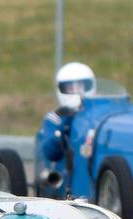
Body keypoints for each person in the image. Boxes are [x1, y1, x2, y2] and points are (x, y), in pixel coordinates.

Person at [36, 62, 95, 196]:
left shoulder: (97, 116)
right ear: (62, 89)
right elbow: (50, 152)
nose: (75, 91)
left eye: (79, 86)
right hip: (64, 178)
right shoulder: (56, 118)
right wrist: (64, 124)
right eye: (70, 87)